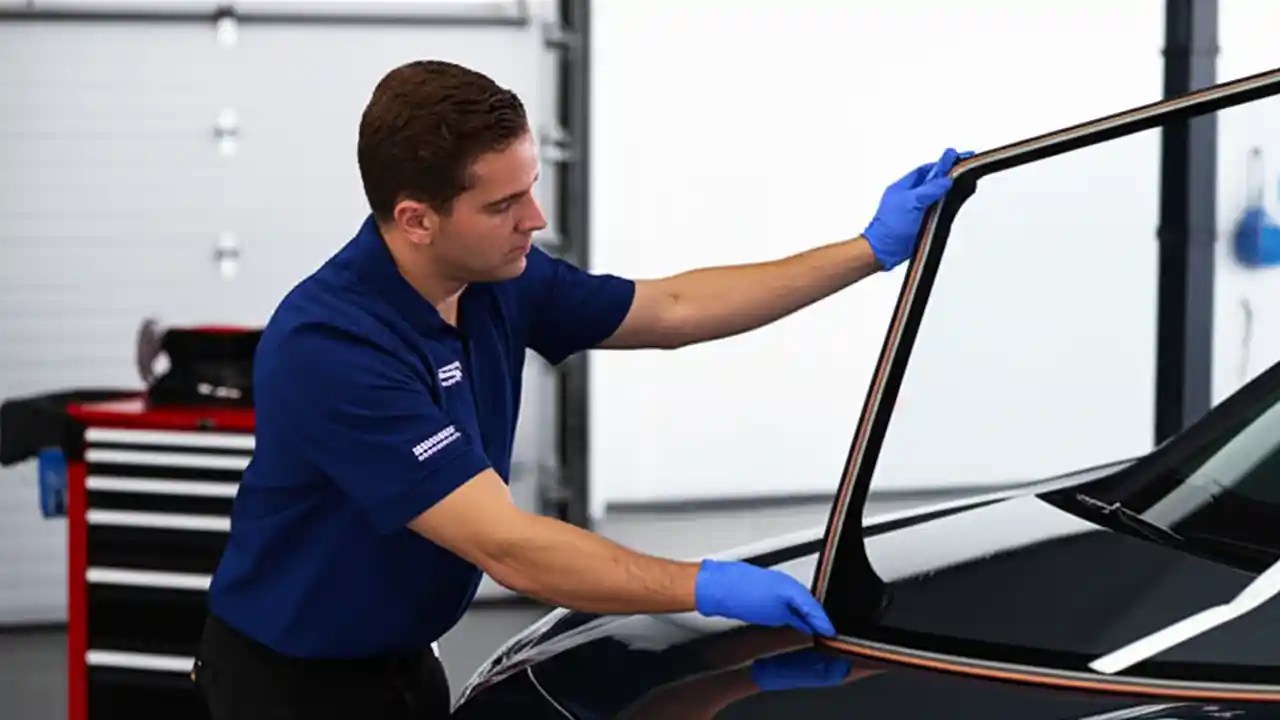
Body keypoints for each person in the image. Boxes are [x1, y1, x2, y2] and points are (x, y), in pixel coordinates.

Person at [192, 59, 964, 719]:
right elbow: (509, 547)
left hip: (406, 663)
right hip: (292, 687)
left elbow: (671, 308)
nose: (535, 218)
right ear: (417, 219)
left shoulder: (497, 278)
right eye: (503, 205)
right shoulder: (333, 346)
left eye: (529, 188)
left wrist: (867, 251)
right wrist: (702, 585)